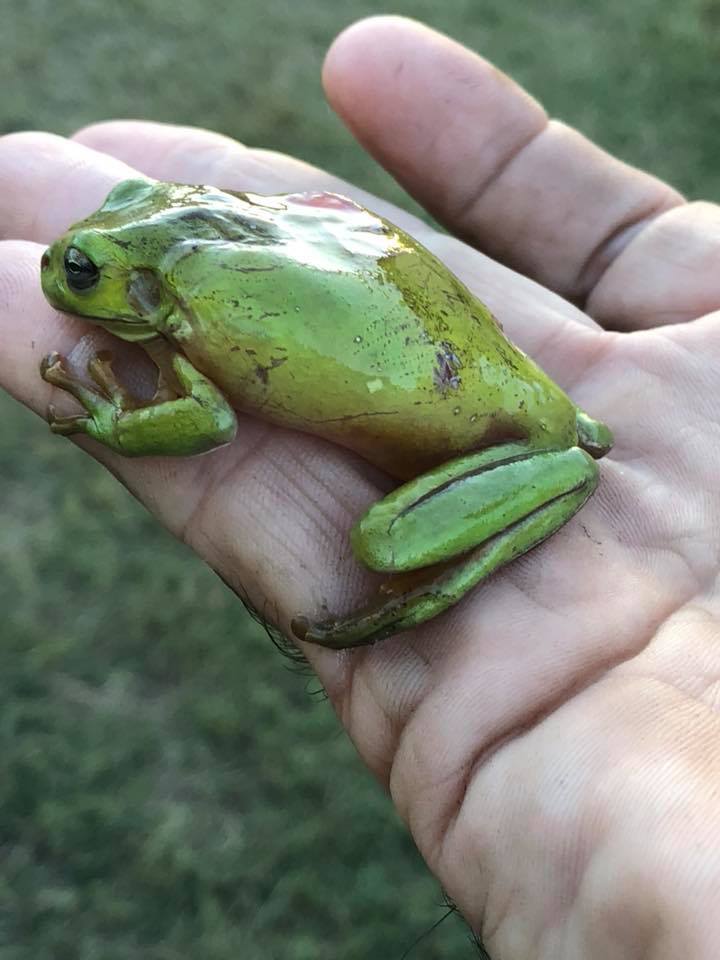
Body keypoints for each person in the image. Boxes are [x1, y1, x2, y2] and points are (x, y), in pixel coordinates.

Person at [2, 15, 719, 958]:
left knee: (381, 544)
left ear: (142, 293)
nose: (68, 264)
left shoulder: (190, 307)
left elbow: (211, 420)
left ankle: (480, 543)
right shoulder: (206, 277)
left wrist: (109, 417)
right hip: (480, 371)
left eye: (90, 271)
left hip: (475, 421)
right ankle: (540, 454)